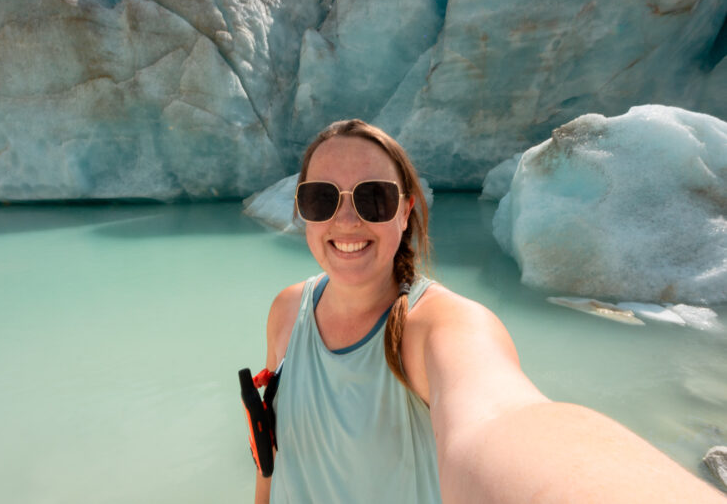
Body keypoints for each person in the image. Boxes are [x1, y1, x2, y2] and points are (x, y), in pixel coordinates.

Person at [254, 119, 726, 504]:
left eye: (372, 198)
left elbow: (499, 420)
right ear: (302, 210)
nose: (347, 220)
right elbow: (272, 455)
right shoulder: (287, 310)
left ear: (405, 210)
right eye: (321, 198)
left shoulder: (437, 325)